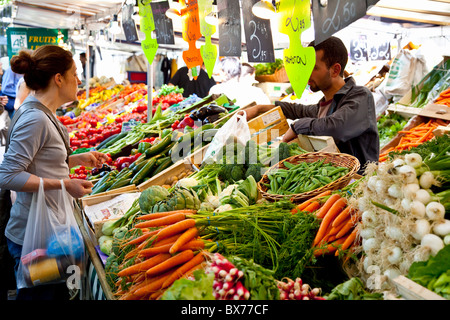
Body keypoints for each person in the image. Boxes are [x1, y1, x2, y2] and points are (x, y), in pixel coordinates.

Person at [0, 45, 110, 300]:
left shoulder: (40, 111)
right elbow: (7, 175)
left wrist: (73, 159)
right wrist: (63, 184)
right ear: (58, 78)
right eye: (74, 74)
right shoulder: (35, 118)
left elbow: (37, 161)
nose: (79, 81)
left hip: (47, 233)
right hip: (34, 240)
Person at [243, 36, 379, 174]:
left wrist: (297, 126)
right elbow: (296, 110)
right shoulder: (325, 104)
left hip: (359, 186)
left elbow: (336, 127)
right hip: (336, 188)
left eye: (313, 68)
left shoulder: (360, 96)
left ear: (335, 70)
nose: (306, 73)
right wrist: (258, 108)